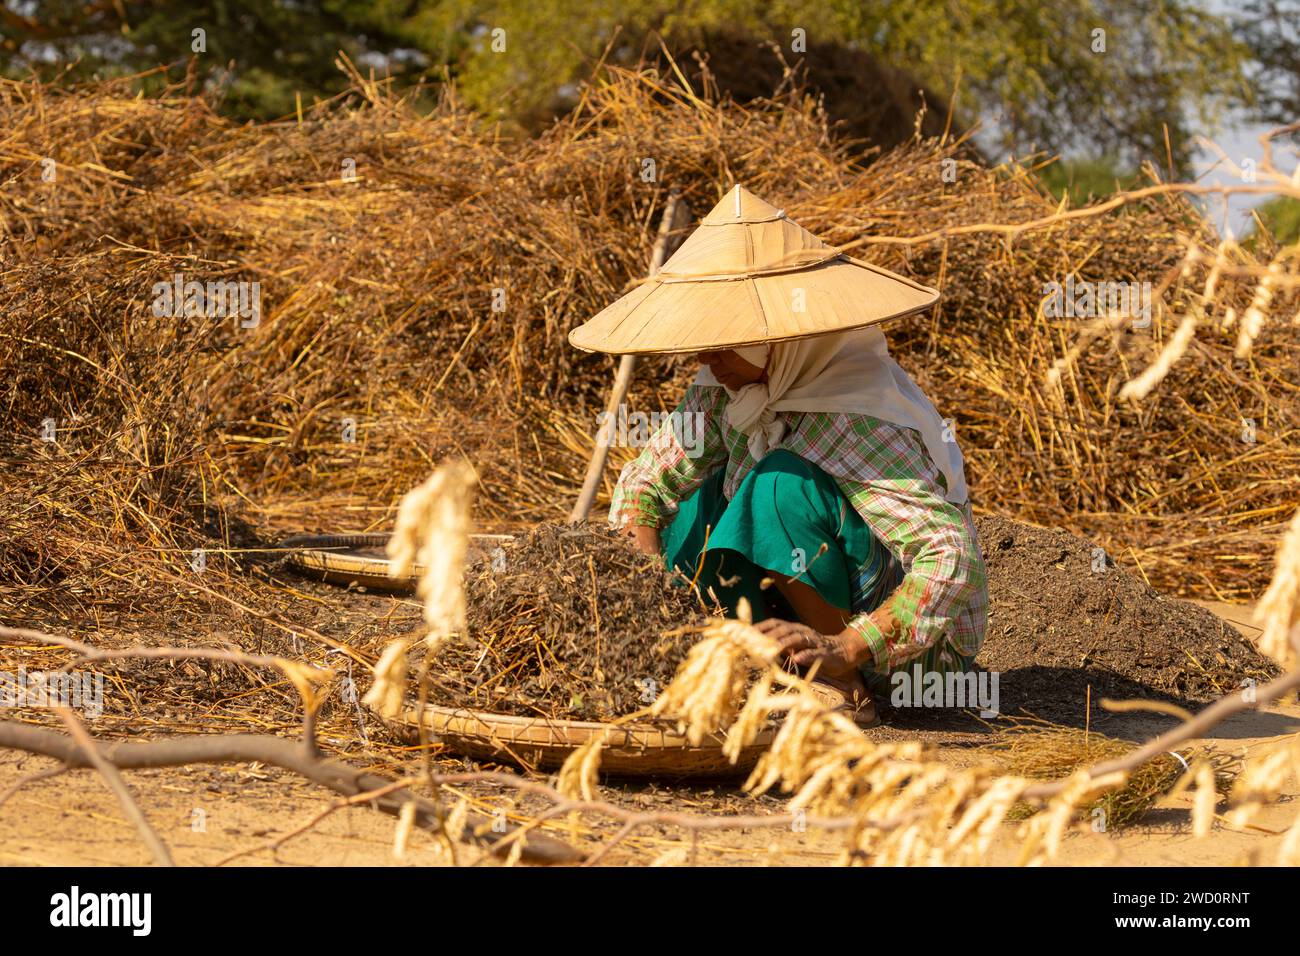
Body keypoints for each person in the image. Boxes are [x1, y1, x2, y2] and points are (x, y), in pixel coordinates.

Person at [569, 185, 987, 726]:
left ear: (780, 339)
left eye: (725, 342)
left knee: (775, 484)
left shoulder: (855, 417)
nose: (705, 357)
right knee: (692, 508)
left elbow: (950, 560)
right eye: (705, 341)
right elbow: (650, 482)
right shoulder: (726, 389)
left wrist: (847, 647)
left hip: (903, 655)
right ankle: (708, 664)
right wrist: (642, 578)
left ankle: (843, 686)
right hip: (787, 616)